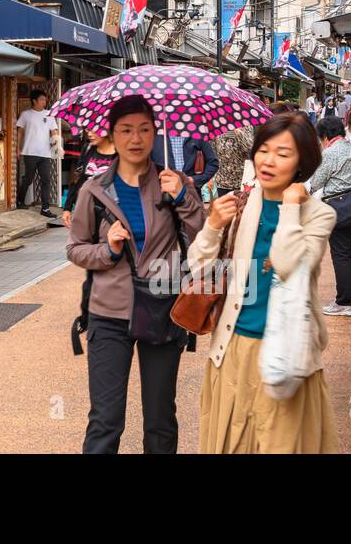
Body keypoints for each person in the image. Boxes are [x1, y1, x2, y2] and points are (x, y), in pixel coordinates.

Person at [190, 112, 339, 453]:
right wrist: (212, 225)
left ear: (302, 163)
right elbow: (197, 269)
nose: (269, 161)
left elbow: (287, 264)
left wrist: (289, 209)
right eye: (263, 150)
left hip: (289, 354)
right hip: (233, 350)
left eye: (283, 154)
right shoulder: (239, 204)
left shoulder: (319, 214)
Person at [67, 95, 205, 454]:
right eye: (126, 130)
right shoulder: (94, 191)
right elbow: (75, 248)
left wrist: (184, 200)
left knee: (160, 418)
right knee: (105, 419)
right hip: (108, 314)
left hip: (161, 308)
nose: (136, 138)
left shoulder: (174, 183)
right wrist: (107, 250)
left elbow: (204, 239)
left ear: (155, 133)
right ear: (112, 135)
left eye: (144, 129)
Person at [312, 112, 351, 317]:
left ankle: (343, 302)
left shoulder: (329, 153)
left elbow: (316, 182)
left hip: (340, 209)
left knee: (341, 255)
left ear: (325, 136)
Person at [16, 89, 59, 219]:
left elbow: (54, 131)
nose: (44, 102)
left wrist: (57, 146)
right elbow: (20, 133)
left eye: (45, 100)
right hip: (29, 152)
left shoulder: (49, 115)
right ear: (34, 101)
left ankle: (45, 208)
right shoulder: (25, 114)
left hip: (45, 153)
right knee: (28, 179)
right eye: (41, 100)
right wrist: (18, 148)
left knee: (46, 180)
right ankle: (20, 200)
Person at [61, 133, 117, 228]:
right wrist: (67, 208)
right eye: (88, 129)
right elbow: (78, 178)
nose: (89, 134)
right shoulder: (88, 149)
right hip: (87, 211)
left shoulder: (121, 152)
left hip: (112, 214)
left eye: (94, 130)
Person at [150, 130, 218, 194]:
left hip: (191, 193)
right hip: (161, 194)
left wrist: (194, 180)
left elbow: (213, 163)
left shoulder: (197, 134)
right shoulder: (154, 136)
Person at [211, 126, 254, 196]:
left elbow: (250, 149)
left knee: (242, 206)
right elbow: (214, 153)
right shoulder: (218, 128)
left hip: (243, 181)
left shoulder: (246, 127)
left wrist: (238, 132)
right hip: (223, 181)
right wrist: (212, 177)